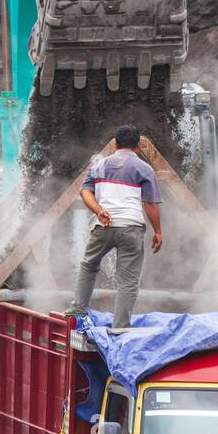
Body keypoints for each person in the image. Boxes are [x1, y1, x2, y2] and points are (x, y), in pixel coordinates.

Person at [65, 125, 163, 330]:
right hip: (131, 229)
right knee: (127, 282)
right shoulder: (144, 169)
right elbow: (150, 204)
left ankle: (78, 308)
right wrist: (158, 232)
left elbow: (85, 192)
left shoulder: (99, 166)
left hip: (104, 226)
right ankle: (119, 328)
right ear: (138, 146)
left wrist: (99, 210)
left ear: (116, 144)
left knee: (88, 265)